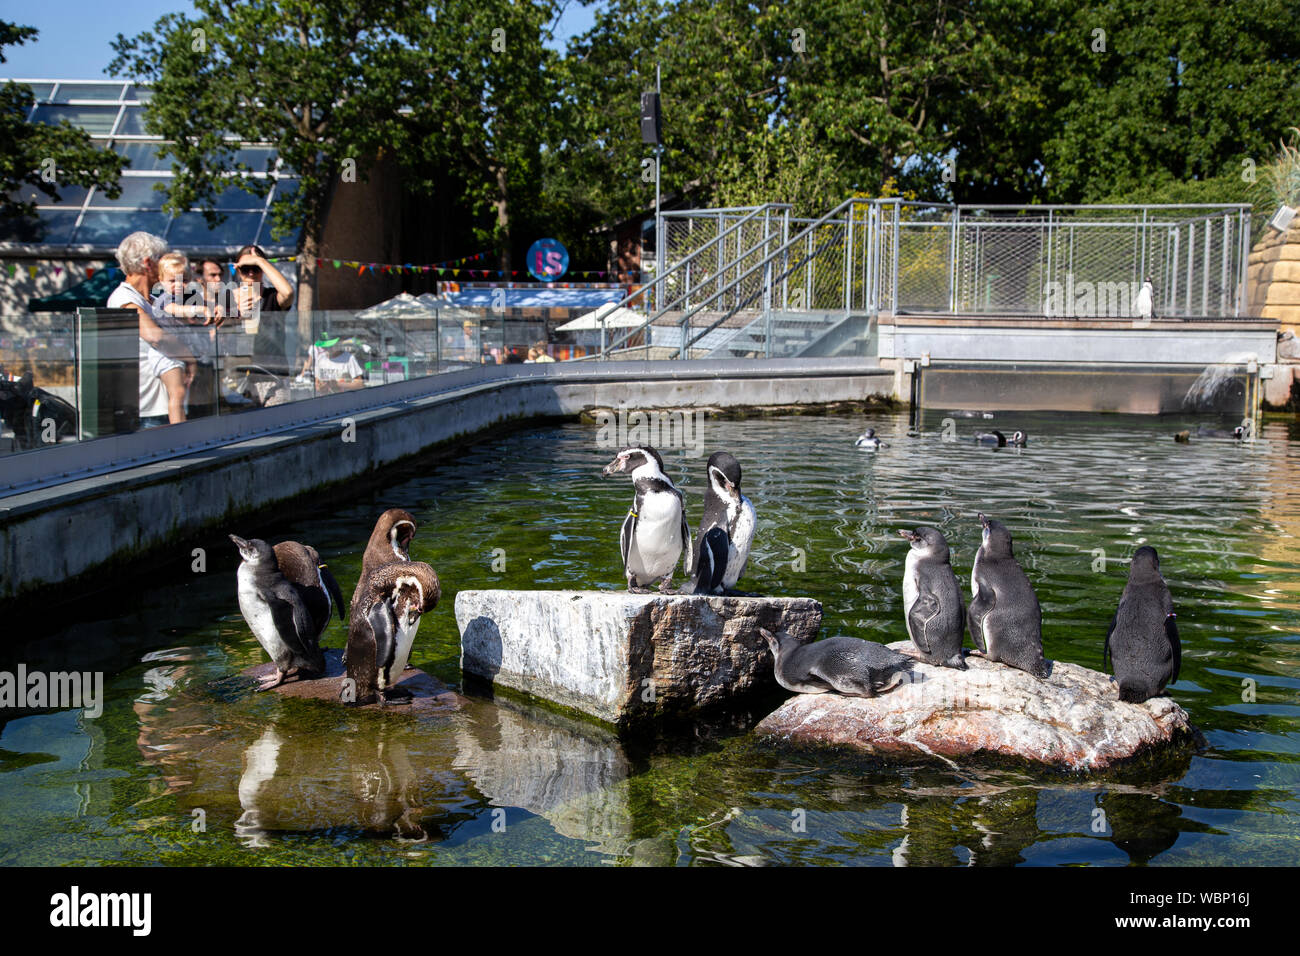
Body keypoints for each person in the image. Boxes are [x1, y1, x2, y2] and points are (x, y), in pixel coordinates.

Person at [107, 232, 197, 427]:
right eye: (163, 260)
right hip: (147, 410)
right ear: (148, 264)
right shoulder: (124, 298)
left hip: (163, 406)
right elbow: (154, 335)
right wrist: (189, 357)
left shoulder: (154, 301)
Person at [152, 252, 220, 418]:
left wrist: (216, 309)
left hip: (183, 352)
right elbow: (174, 310)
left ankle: (187, 424)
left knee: (188, 393)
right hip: (166, 351)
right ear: (161, 280)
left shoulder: (188, 298)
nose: (178, 285)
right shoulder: (165, 299)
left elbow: (206, 307)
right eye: (172, 280)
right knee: (178, 392)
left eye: (183, 280)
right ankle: (178, 430)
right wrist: (197, 309)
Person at [233, 244, 295, 318]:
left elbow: (288, 293)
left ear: (263, 269)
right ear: (238, 270)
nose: (251, 273)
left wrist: (260, 261)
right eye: (245, 268)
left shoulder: (272, 296)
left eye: (256, 267)